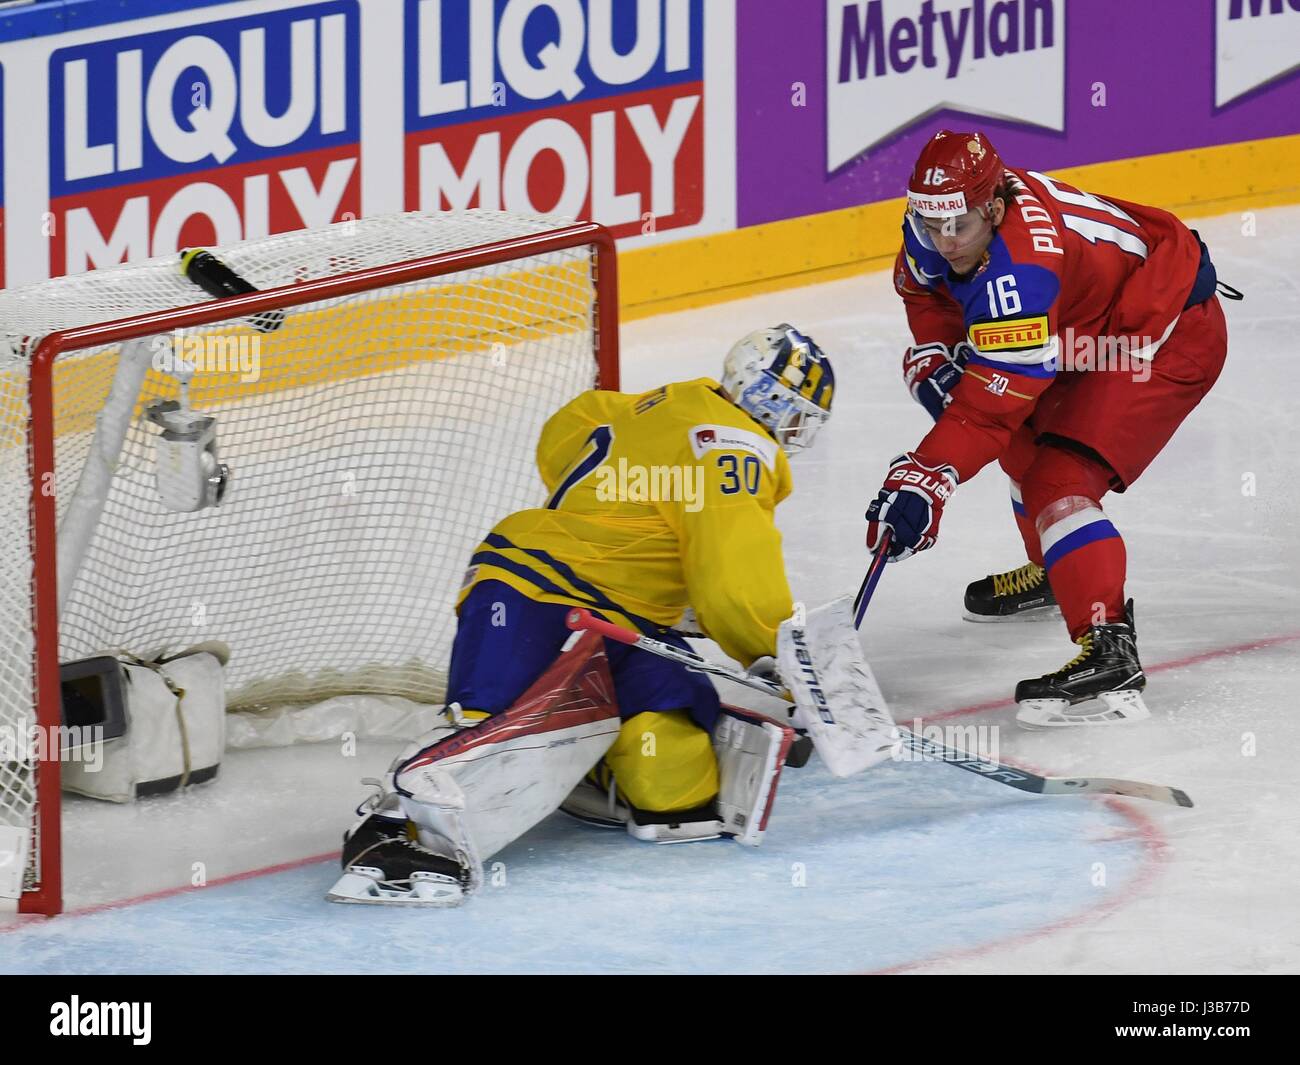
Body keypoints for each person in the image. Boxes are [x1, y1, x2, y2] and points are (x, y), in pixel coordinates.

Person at [329, 324, 836, 905]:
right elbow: (735, 578)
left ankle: (578, 760)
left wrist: (659, 573)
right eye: (797, 415)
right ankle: (391, 833)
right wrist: (781, 652)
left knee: (678, 790)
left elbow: (562, 438)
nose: (795, 432)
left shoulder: (646, 407)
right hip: (537, 589)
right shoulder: (735, 447)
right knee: (488, 737)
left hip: (626, 625)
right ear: (770, 399)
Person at [867, 129, 1236, 727]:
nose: (945, 240)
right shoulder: (939, 231)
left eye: (958, 224)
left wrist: (927, 476)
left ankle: (1108, 649)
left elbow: (987, 409)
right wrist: (939, 354)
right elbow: (927, 294)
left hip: (1160, 336)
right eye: (931, 224)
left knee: (1058, 482)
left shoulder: (1023, 274)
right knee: (1021, 442)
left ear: (993, 205)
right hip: (1080, 330)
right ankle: (1057, 568)